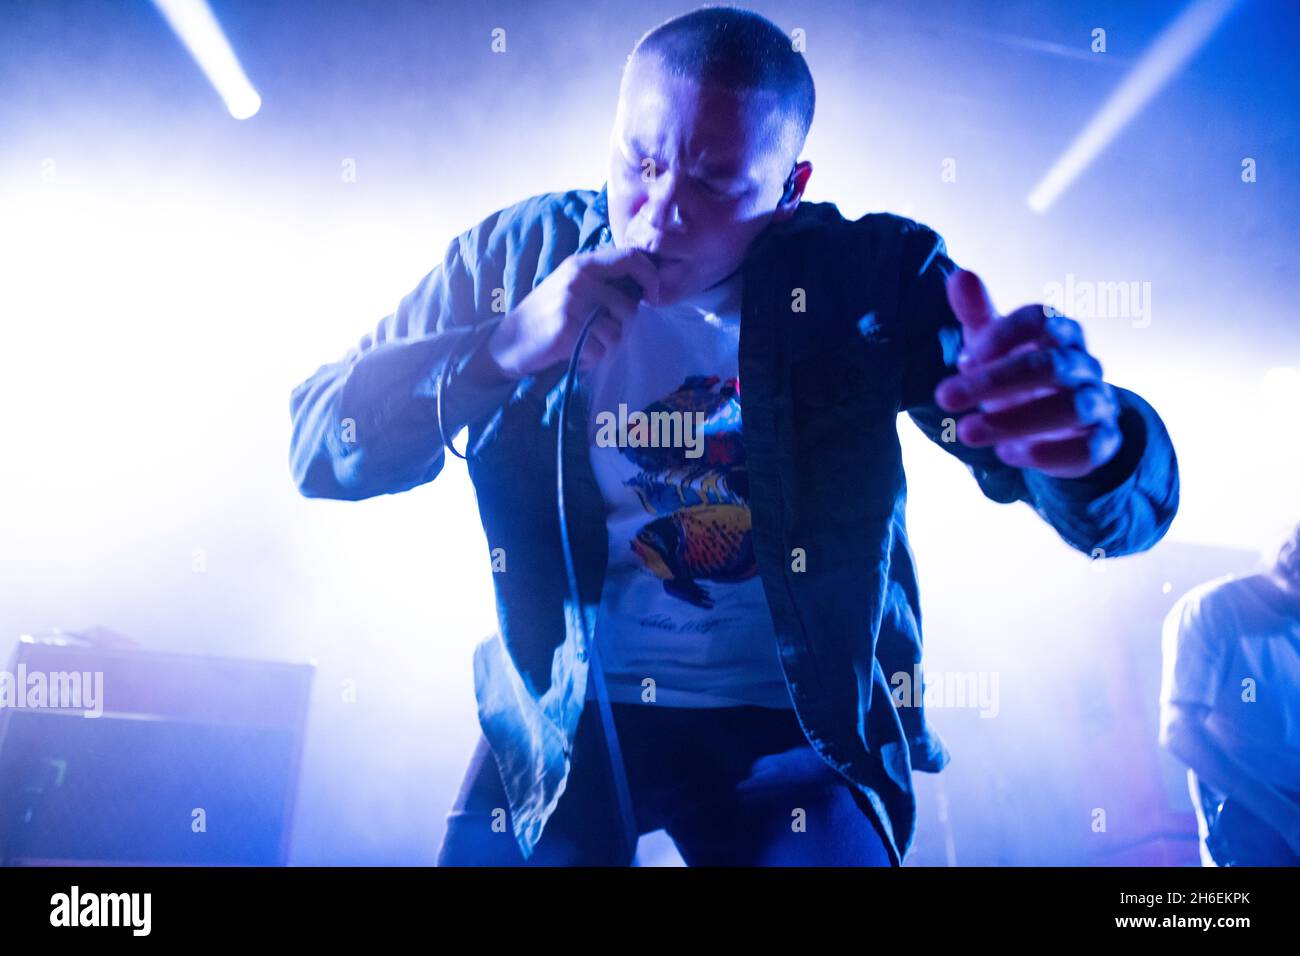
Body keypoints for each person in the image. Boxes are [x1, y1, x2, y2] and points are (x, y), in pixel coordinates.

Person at [289, 6, 1180, 866]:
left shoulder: (870, 279)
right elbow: (321, 441)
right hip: (568, 715)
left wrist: (1098, 453)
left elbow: (1118, 513)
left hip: (795, 723)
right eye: (640, 162)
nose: (658, 213)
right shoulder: (515, 258)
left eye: (714, 183)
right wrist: (499, 350)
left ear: (791, 190)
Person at [1159, 523, 1300, 866]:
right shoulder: (1212, 609)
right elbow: (1179, 732)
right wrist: (1286, 819)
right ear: (1292, 559)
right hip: (1254, 841)